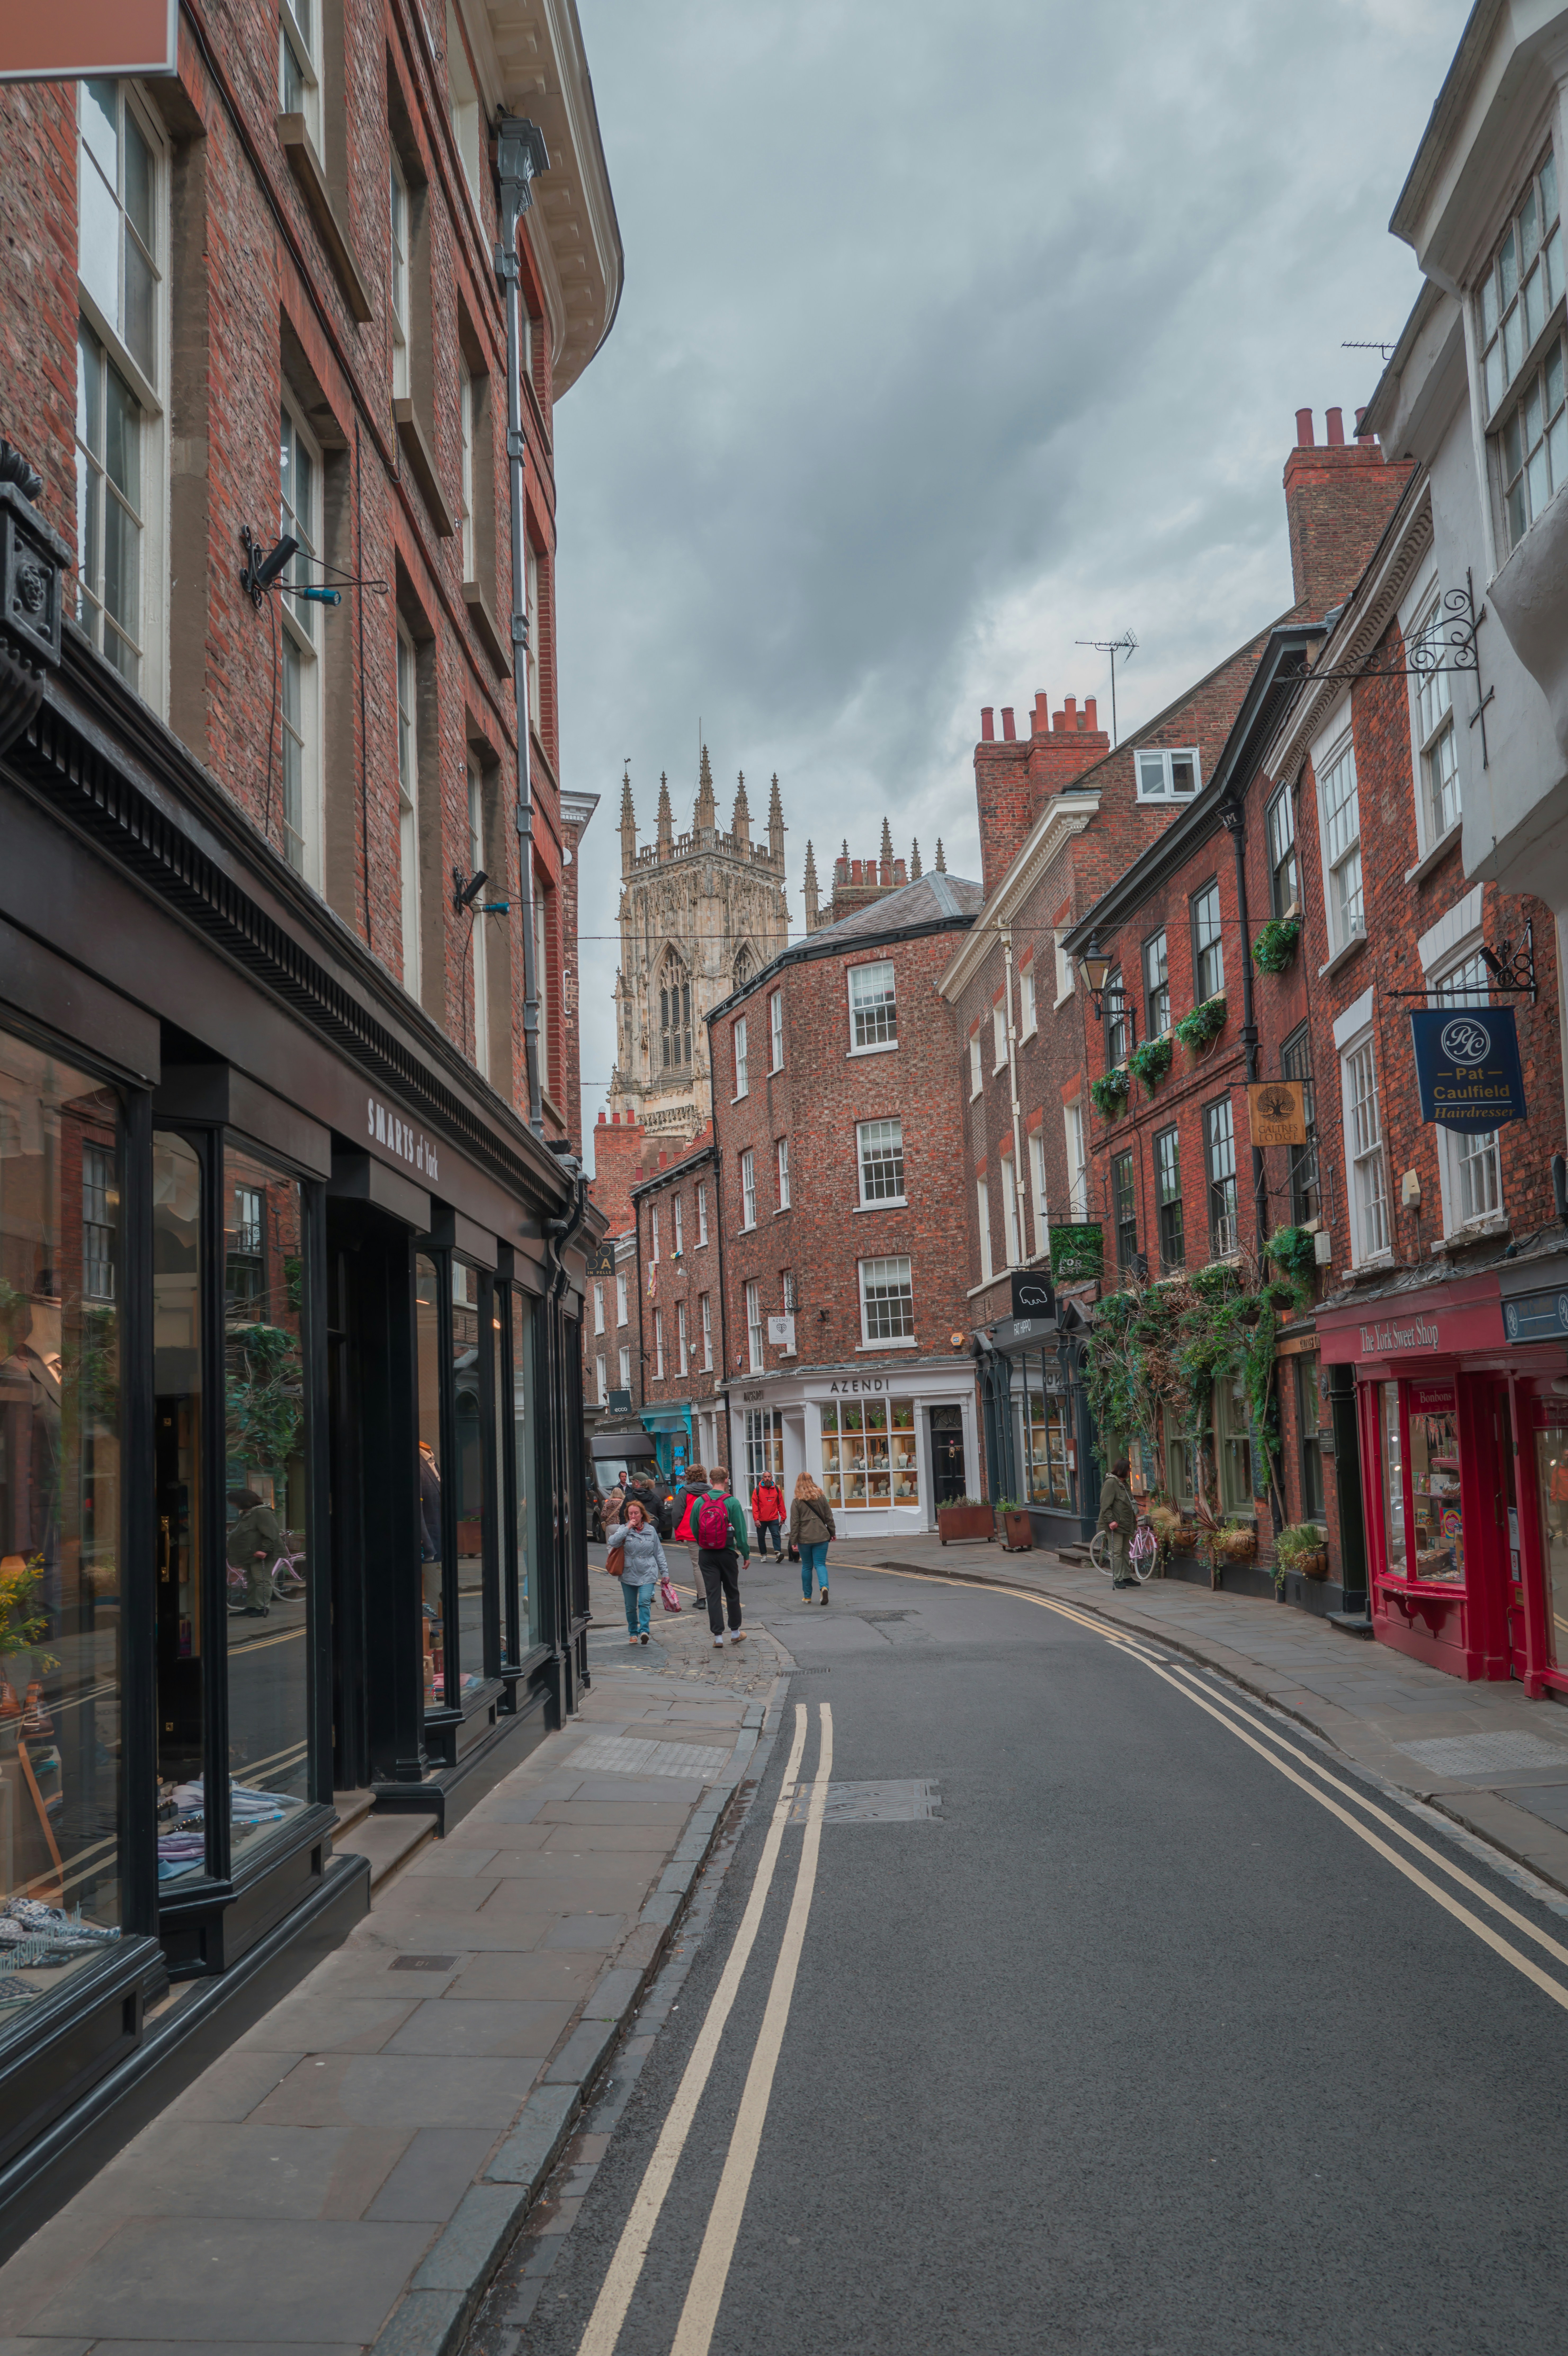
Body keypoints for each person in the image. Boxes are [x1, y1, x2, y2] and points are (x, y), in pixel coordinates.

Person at [694, 1467, 750, 1648]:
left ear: (711, 1481)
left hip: (706, 1554)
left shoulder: (699, 1502)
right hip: (726, 1553)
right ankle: (735, 1633)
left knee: (713, 1595)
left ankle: (718, 1637)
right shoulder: (732, 1503)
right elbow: (740, 1532)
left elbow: (694, 1528)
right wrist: (746, 1554)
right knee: (732, 1592)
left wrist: (704, 1544)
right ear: (726, 1481)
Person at [615, 1497, 667, 1645]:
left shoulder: (651, 1531)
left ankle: (644, 1630)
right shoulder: (624, 1529)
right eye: (631, 1514)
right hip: (629, 1572)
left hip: (648, 1572)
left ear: (642, 1514)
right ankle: (633, 1632)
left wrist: (665, 1573)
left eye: (636, 1513)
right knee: (631, 1607)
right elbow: (613, 1542)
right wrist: (627, 1529)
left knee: (644, 1601)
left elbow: (659, 1553)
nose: (633, 1517)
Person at [227, 1488, 281, 1618]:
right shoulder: (248, 1513)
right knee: (251, 1580)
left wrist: (265, 1550)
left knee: (262, 1580)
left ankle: (262, 1607)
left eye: (234, 1502)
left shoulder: (262, 1512)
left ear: (243, 1502)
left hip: (260, 1553)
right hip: (250, 1554)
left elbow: (271, 1533)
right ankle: (252, 1606)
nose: (232, 1505)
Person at [788, 1473, 835, 1605]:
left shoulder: (797, 1501)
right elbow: (829, 1517)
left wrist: (794, 1541)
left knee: (807, 1567)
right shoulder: (821, 1498)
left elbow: (795, 1523)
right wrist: (833, 1532)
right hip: (822, 1536)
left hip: (804, 1539)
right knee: (820, 1564)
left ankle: (807, 1597)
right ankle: (824, 1588)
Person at [1098, 1456, 1139, 1588]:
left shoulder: (1124, 1484)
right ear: (1123, 1470)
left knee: (1125, 1551)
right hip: (1115, 1524)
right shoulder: (1111, 1483)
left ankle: (1126, 1577)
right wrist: (1111, 1521)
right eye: (1129, 1469)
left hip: (1126, 1523)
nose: (1130, 1472)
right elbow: (1105, 1505)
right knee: (1117, 1551)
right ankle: (1118, 1579)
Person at [671, 1463, 708, 1589]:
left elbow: (677, 1513)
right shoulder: (711, 1490)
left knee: (698, 1565)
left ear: (689, 1476)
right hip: (711, 1532)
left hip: (693, 1534)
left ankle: (702, 1598)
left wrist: (676, 1527)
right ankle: (713, 1594)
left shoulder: (685, 1491)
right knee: (711, 1565)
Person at [751, 1470, 786, 1556]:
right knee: (761, 1538)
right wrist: (756, 1519)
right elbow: (755, 1506)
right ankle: (764, 1555)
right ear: (763, 1479)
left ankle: (778, 1553)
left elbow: (781, 1504)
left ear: (772, 1478)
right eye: (766, 1477)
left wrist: (783, 1517)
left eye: (769, 1477)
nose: (767, 1479)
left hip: (774, 1518)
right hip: (761, 1519)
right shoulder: (757, 1490)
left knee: (776, 1536)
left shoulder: (777, 1490)